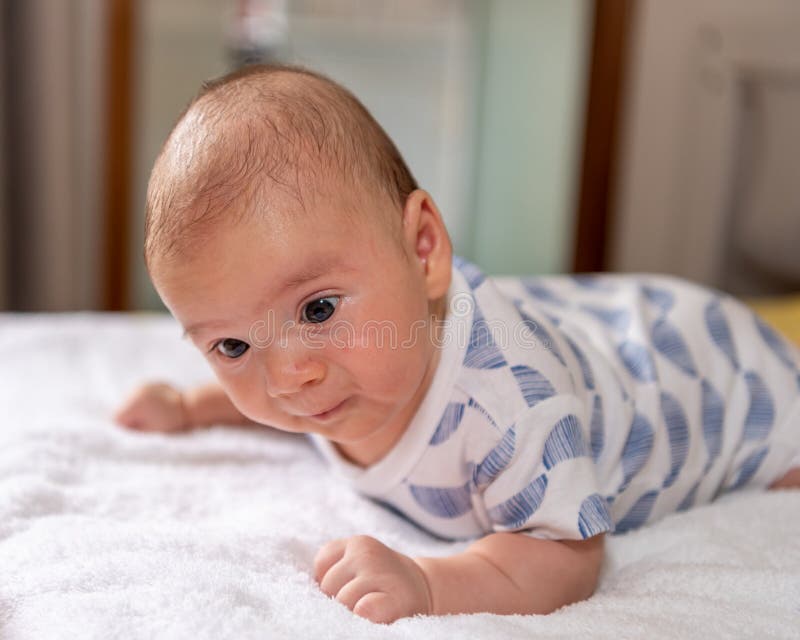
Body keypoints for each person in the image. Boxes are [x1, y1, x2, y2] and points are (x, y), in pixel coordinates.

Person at [115, 64, 800, 624]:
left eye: (318, 308)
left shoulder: (509, 406)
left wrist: (430, 583)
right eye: (231, 347)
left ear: (423, 249)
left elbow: (570, 550)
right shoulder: (336, 371)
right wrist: (193, 407)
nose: (289, 374)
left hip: (709, 370)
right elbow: (280, 401)